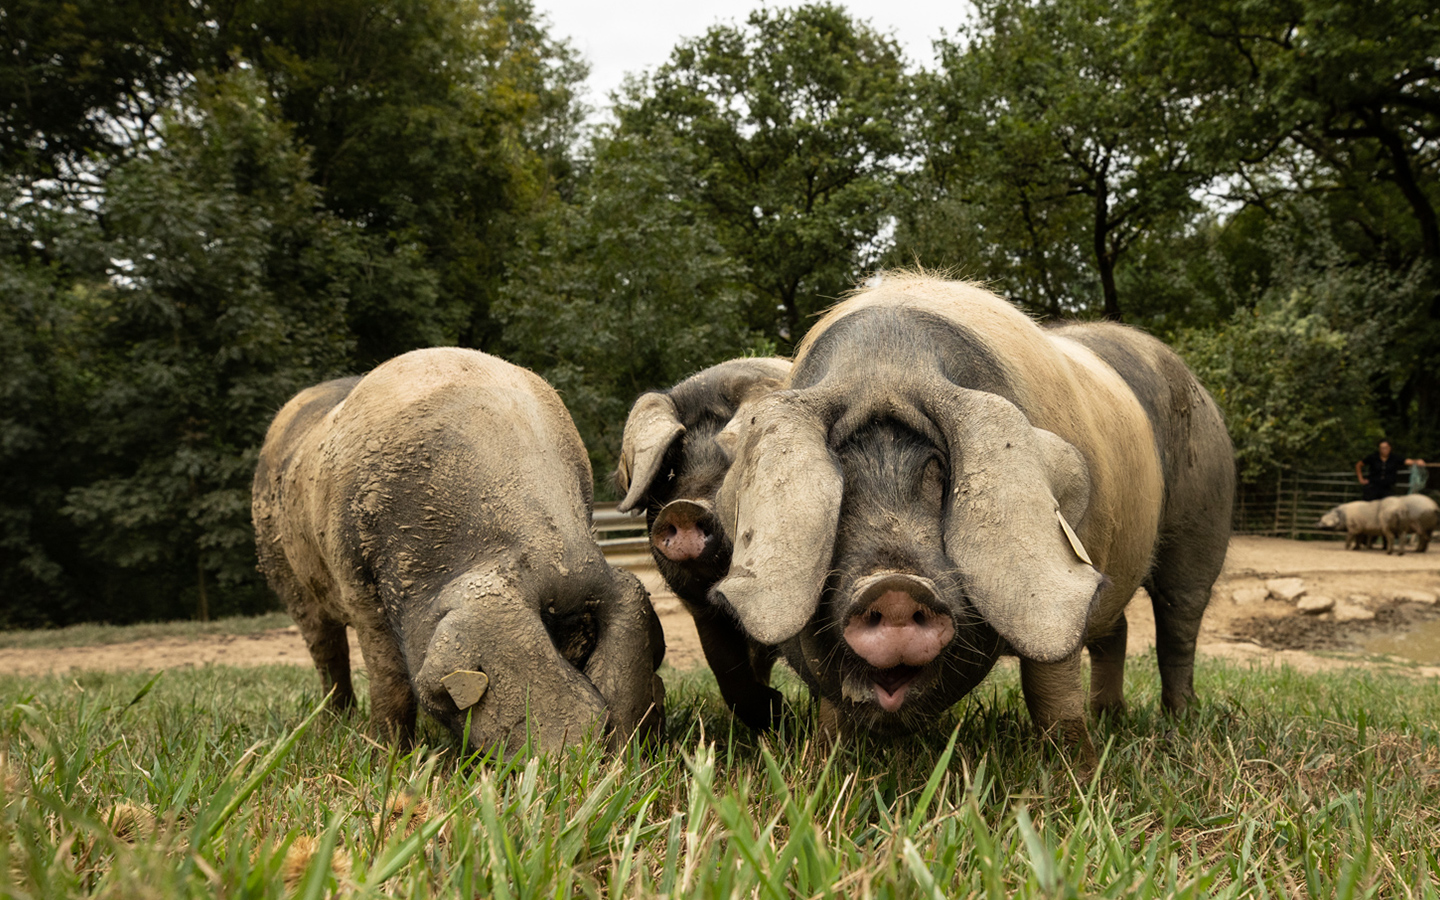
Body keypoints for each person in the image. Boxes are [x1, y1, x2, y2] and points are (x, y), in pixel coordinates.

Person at [1355, 439, 1425, 500]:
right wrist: (1361, 479)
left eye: (1386, 448)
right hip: (1373, 487)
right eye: (1382, 448)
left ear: (1390, 448)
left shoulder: (1394, 457)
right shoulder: (1373, 457)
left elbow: (1407, 461)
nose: (1384, 450)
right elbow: (1359, 465)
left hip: (1387, 488)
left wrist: (1417, 461)